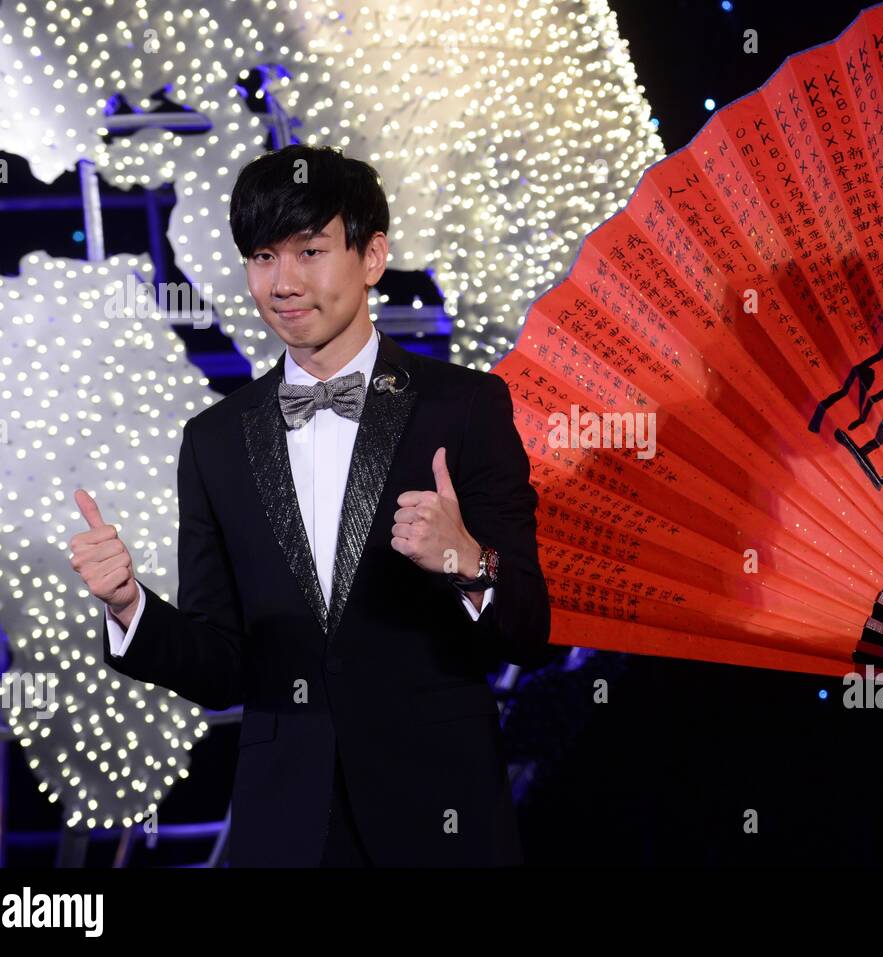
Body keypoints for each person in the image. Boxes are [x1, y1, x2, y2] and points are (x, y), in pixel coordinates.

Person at [68, 144, 554, 866]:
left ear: (372, 255)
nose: (283, 282)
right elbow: (222, 663)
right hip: (286, 827)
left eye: (311, 251)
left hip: (441, 815)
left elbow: (529, 630)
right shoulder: (216, 439)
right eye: (263, 256)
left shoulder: (464, 407)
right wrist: (128, 606)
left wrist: (465, 559)